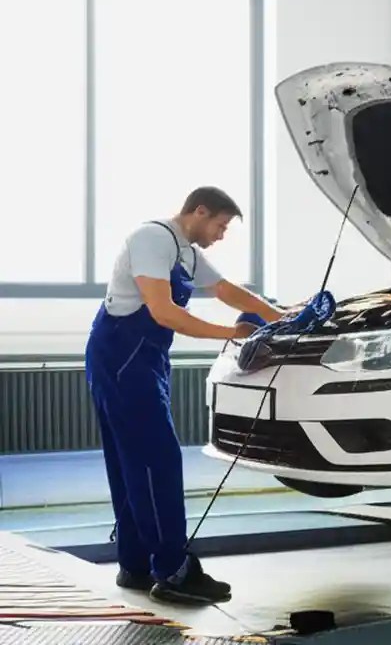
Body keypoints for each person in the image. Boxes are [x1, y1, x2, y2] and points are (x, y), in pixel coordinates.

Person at [85, 186, 283, 605]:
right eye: (221, 225)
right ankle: (174, 570)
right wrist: (233, 333)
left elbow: (229, 291)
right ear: (199, 211)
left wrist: (280, 316)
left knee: (131, 462)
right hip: (122, 358)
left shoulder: (185, 251)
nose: (222, 235)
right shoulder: (153, 239)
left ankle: (136, 564)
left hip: (142, 358)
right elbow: (164, 312)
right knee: (157, 460)